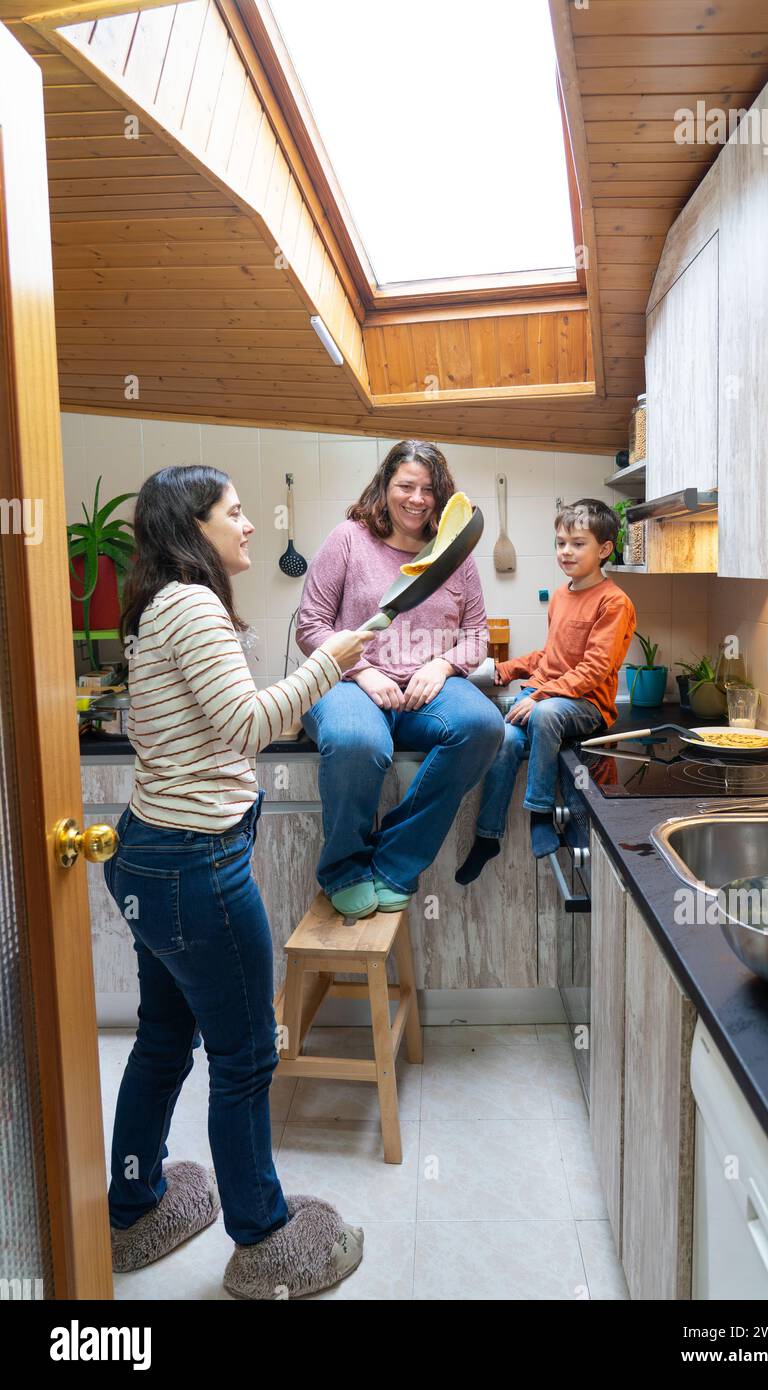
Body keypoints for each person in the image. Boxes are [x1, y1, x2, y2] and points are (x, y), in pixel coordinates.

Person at [103, 464, 375, 1299]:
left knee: (161, 1038)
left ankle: (132, 1202)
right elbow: (249, 725)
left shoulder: (153, 605)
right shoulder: (193, 604)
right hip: (198, 867)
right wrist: (331, 659)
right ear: (195, 526)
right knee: (248, 1054)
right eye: (234, 511)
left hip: (146, 852)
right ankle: (262, 1234)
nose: (250, 523)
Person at [296, 439, 504, 919]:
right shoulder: (349, 539)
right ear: (384, 486)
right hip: (349, 685)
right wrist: (363, 671)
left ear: (442, 496)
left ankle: (395, 861)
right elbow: (311, 625)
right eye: (405, 485)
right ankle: (344, 868)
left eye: (428, 489)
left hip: (428, 689)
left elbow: (476, 635)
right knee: (355, 741)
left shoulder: (455, 554)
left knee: (484, 726)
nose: (417, 498)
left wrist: (444, 665)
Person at [457, 498, 637, 882]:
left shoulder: (614, 602)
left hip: (586, 705)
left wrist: (539, 696)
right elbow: (551, 655)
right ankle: (488, 836)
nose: (566, 552)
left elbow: (594, 669)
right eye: (560, 543)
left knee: (545, 713)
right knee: (502, 739)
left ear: (604, 549)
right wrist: (505, 669)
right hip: (545, 697)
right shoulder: (560, 596)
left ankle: (540, 814)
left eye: (577, 543)